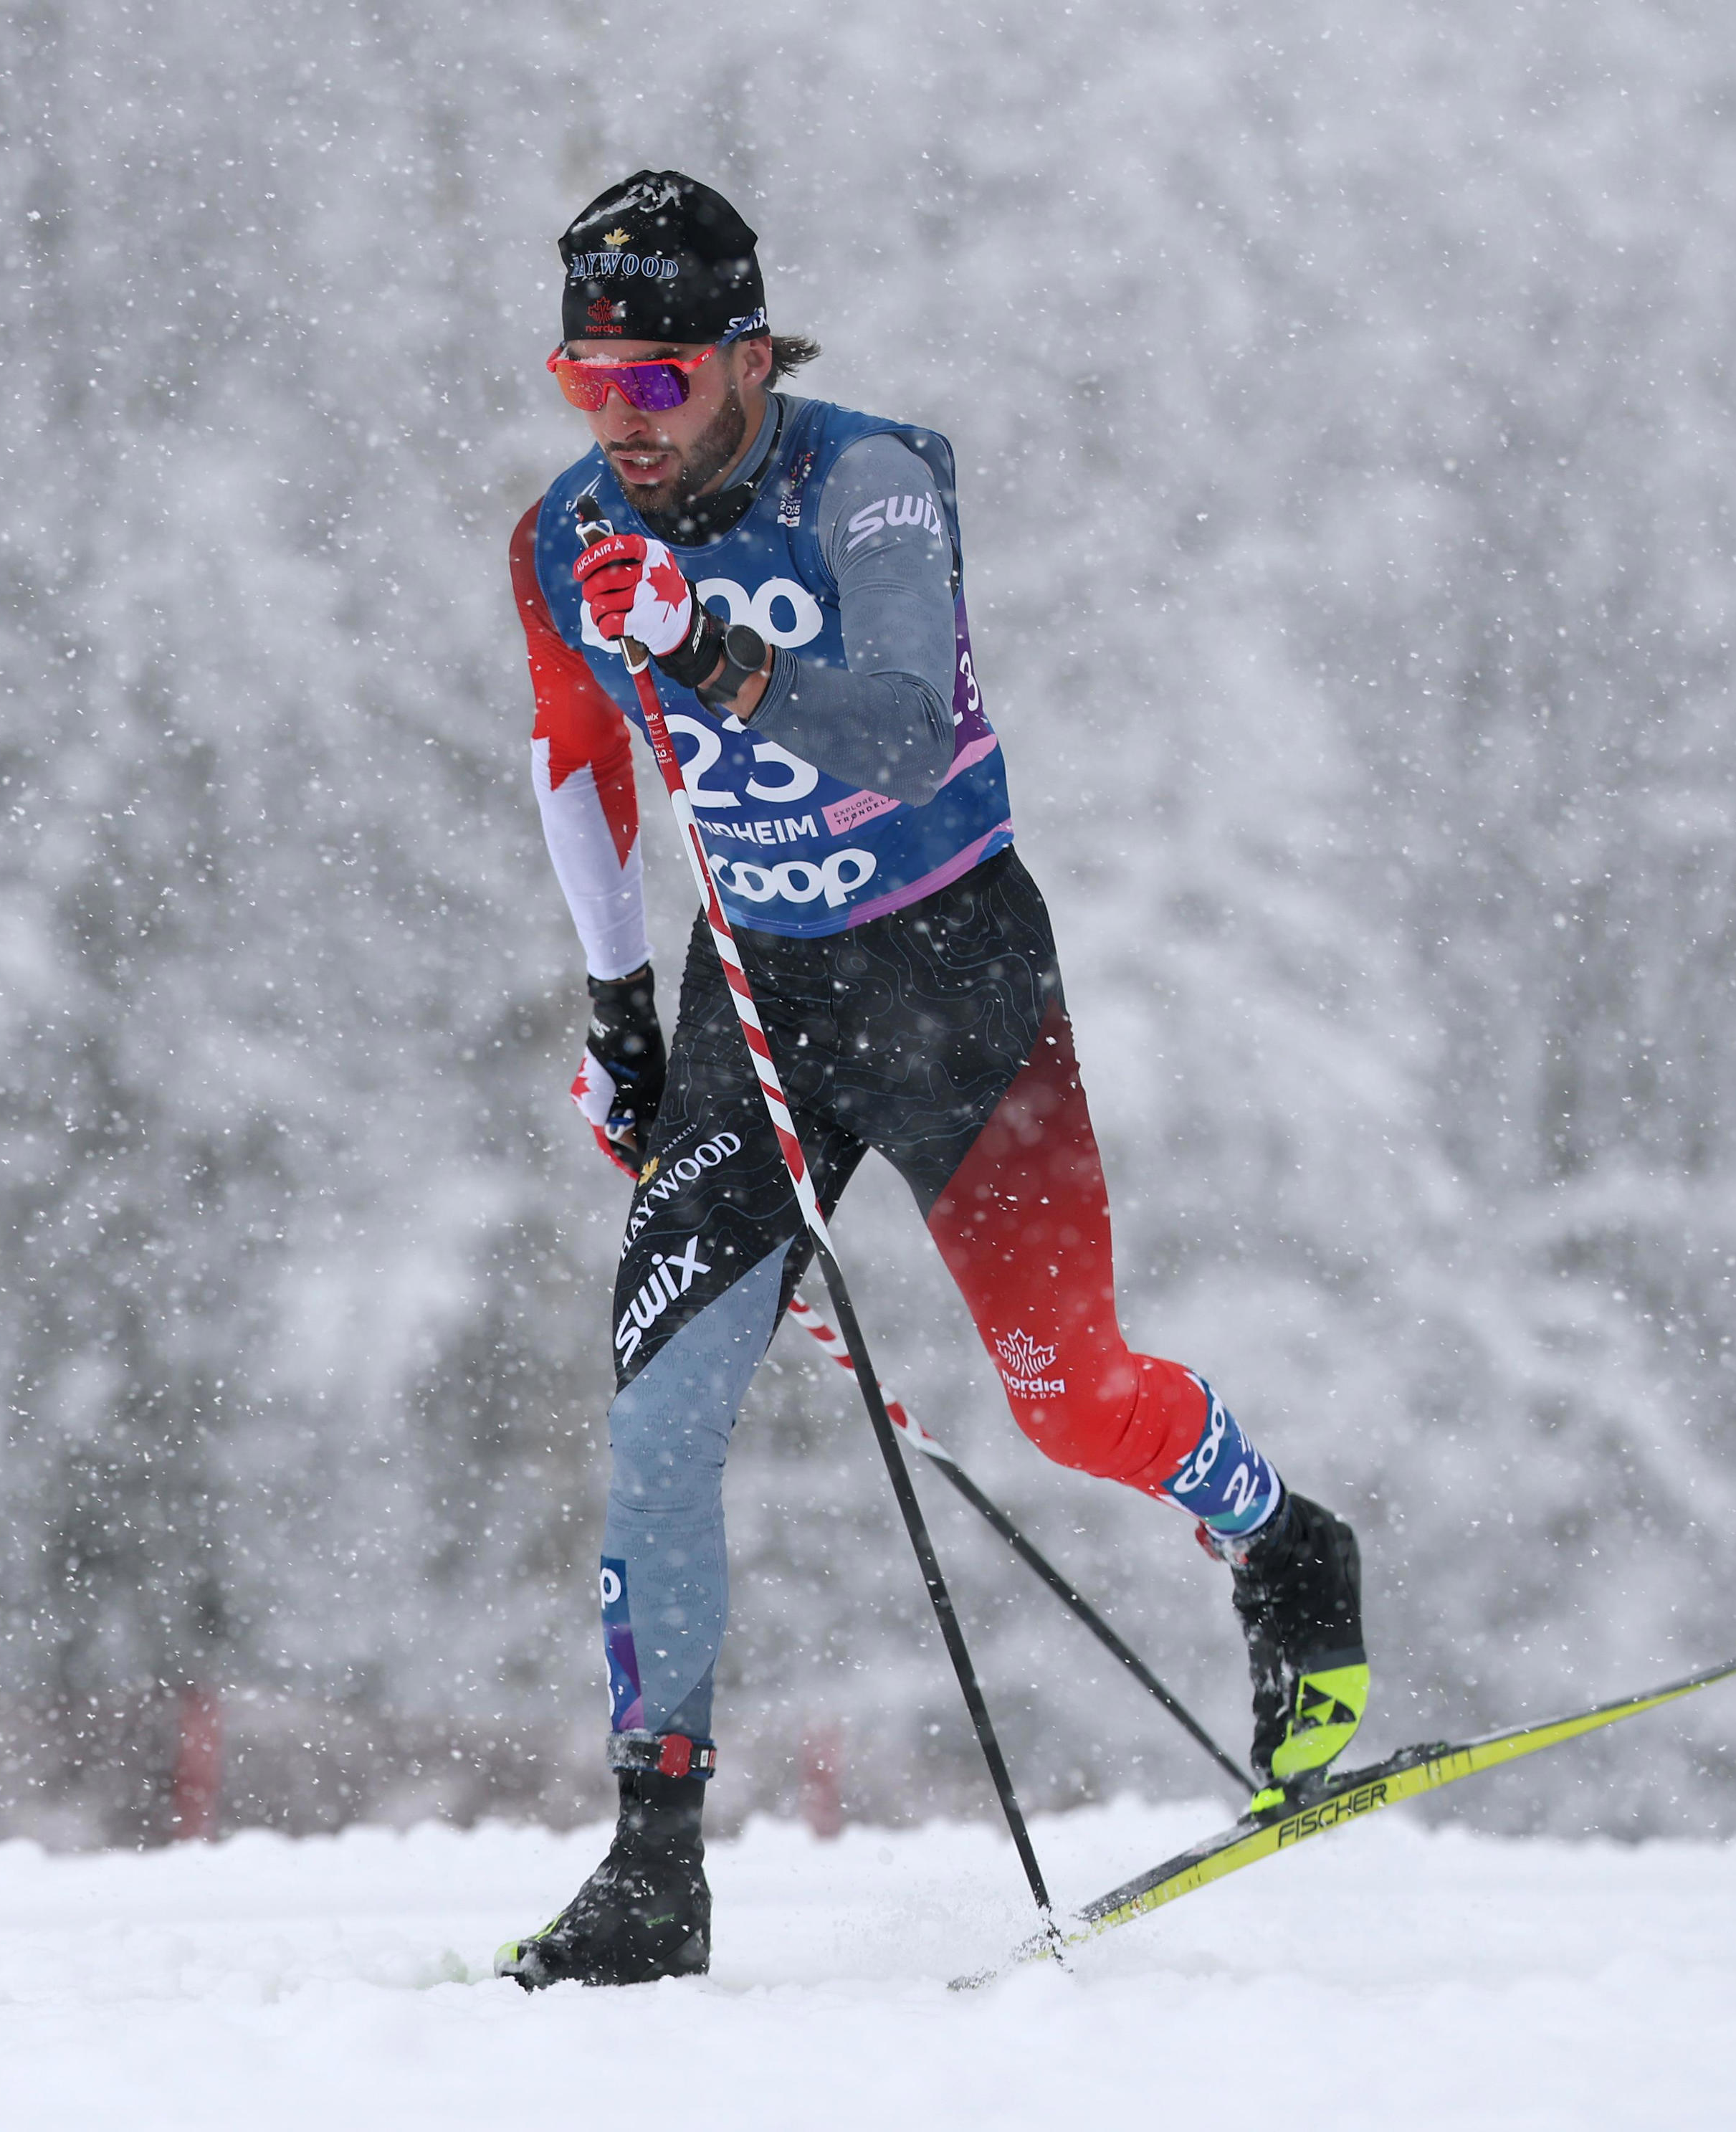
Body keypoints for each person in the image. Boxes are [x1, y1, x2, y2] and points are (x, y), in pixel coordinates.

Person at [498, 171, 1367, 1989]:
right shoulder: (566, 535)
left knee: (1066, 1393)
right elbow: (578, 760)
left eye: (658, 383)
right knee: (657, 1420)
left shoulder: (868, 481)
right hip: (766, 1006)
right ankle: (656, 1866)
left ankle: (1279, 1541)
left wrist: (706, 645)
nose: (622, 423)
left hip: (961, 988)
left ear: (748, 358)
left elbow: (899, 731)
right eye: (591, 380)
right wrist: (614, 1020)